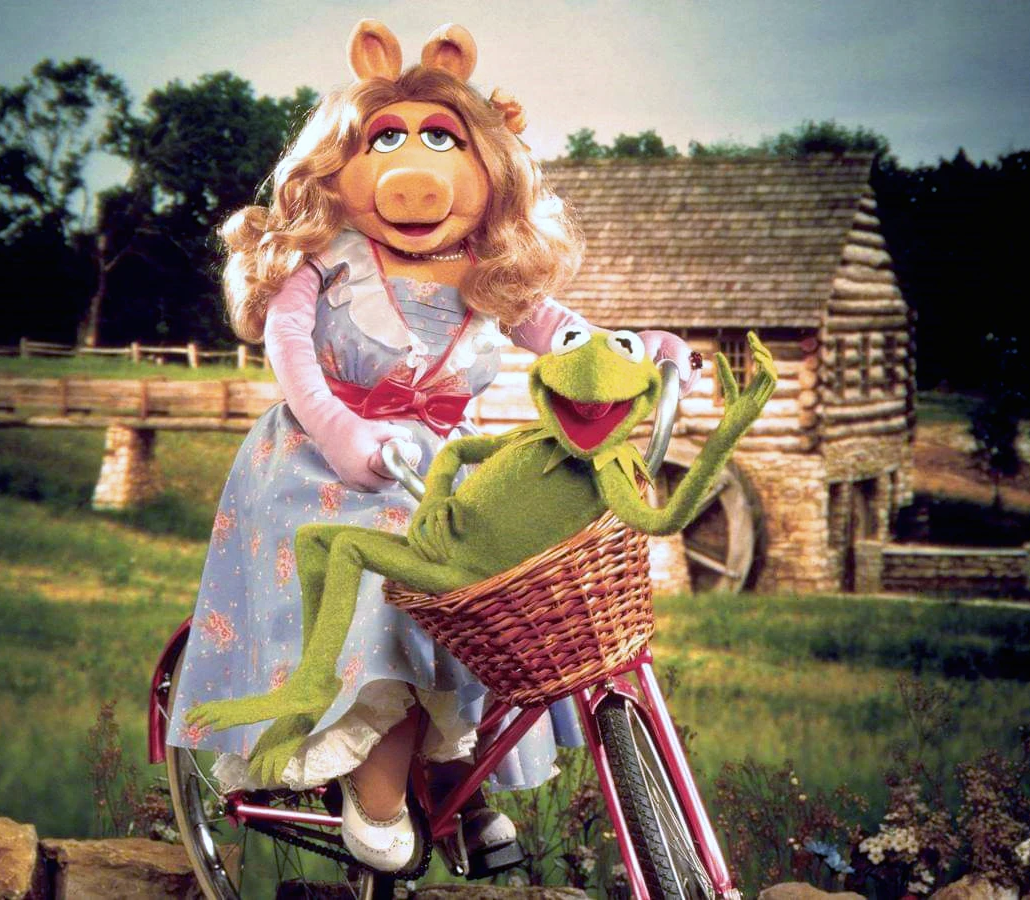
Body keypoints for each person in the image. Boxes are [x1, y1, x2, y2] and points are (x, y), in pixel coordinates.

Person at [167, 18, 699, 873]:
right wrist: (341, 431)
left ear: (486, 163)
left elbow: (561, 333)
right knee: (389, 594)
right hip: (319, 463)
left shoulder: (486, 269)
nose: (414, 171)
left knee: (482, 596)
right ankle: (374, 794)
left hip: (434, 469)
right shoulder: (327, 262)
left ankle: (456, 779)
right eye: (385, 140)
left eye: (443, 140)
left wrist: (635, 351)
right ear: (338, 161)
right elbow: (290, 353)